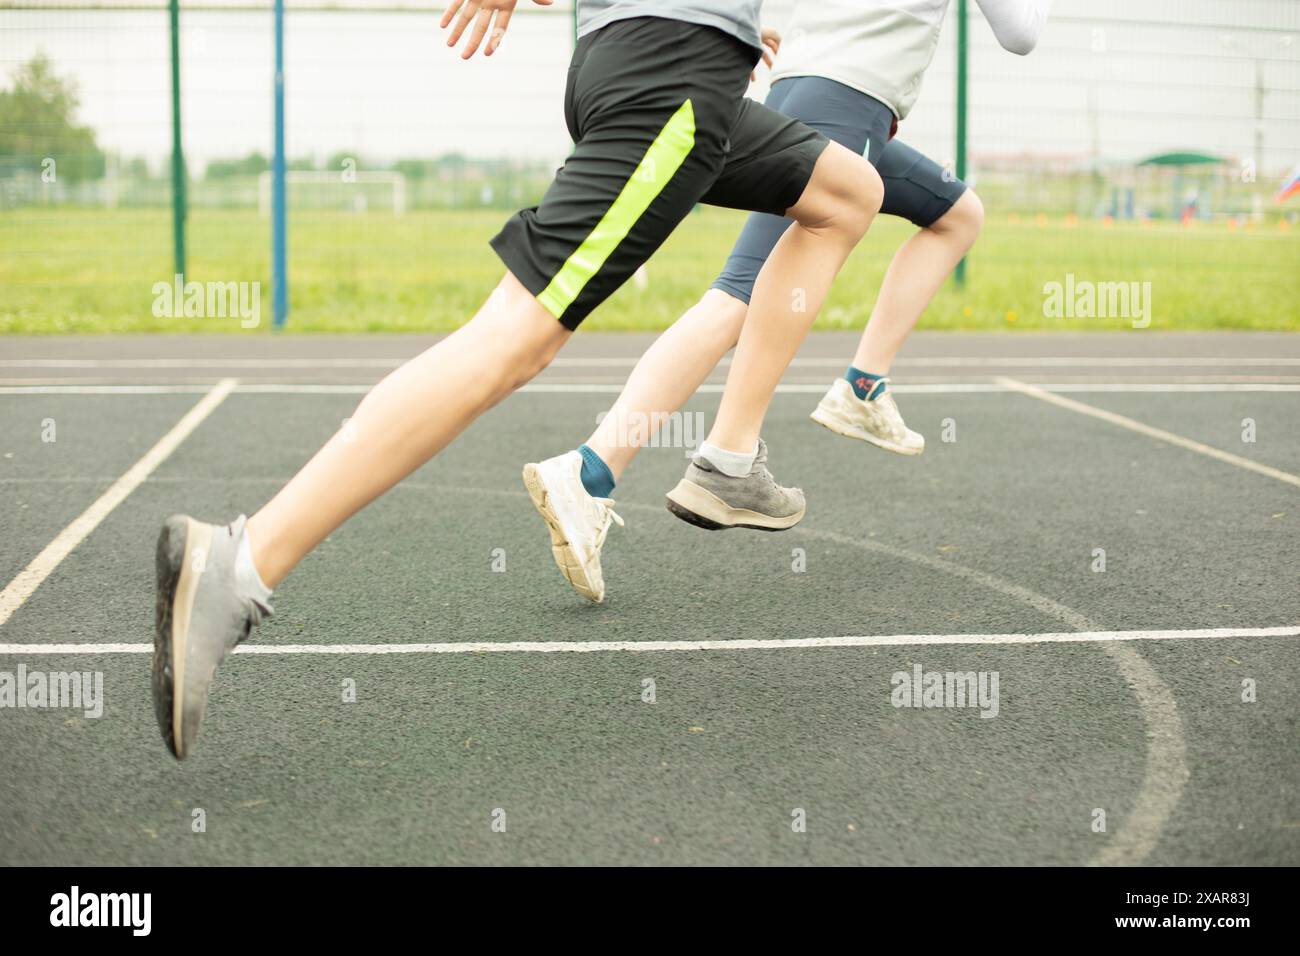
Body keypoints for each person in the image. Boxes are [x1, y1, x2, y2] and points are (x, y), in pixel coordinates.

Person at [152, 0, 886, 758]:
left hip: (674, 63)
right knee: (514, 339)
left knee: (848, 192)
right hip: (673, 73)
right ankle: (239, 564)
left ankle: (731, 455)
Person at [523, 0, 1051, 602]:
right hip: (847, 101)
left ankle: (862, 389)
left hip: (810, 86)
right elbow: (1020, 33)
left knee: (958, 213)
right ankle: (601, 470)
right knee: (738, 296)